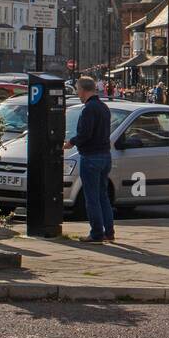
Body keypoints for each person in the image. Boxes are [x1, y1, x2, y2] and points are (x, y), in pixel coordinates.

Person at [63, 76, 115, 243]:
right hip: (105, 156)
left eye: (78, 89)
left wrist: (71, 142)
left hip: (91, 156)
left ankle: (96, 233)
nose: (77, 93)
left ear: (83, 90)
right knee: (103, 196)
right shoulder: (104, 107)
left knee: (92, 198)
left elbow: (85, 134)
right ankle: (109, 232)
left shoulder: (88, 109)